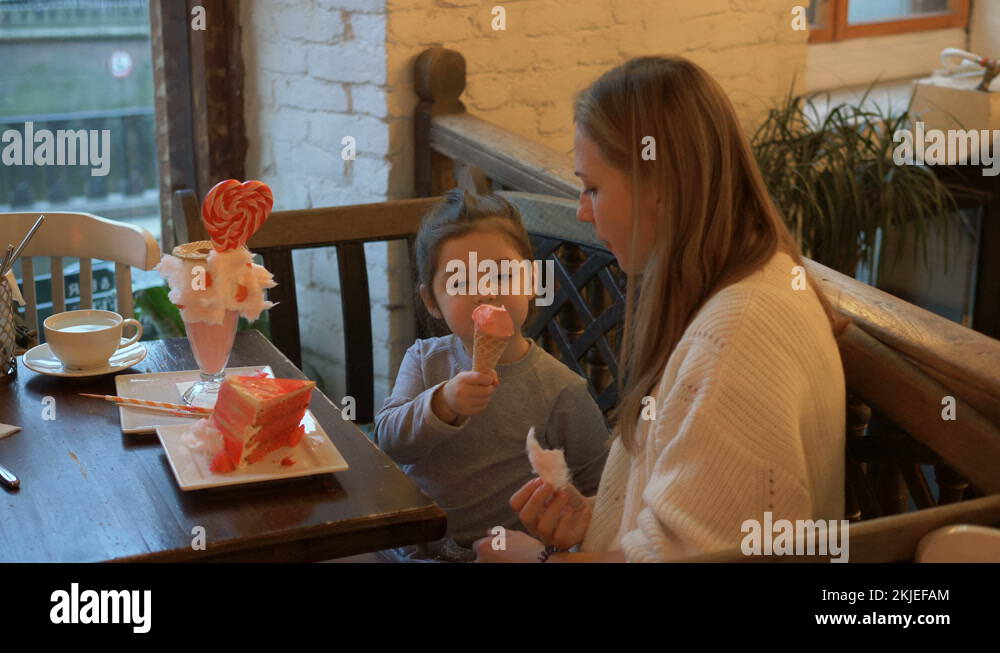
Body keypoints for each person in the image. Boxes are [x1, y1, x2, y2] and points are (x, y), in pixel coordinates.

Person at [474, 55, 849, 563]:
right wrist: (596, 517)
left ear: (660, 187)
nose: (584, 211)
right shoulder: (754, 277)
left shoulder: (735, 339)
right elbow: (694, 520)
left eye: (593, 187)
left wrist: (537, 561)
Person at [374, 188, 610, 562]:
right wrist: (442, 404)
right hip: (412, 547)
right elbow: (389, 442)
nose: (486, 290)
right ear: (432, 301)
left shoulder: (561, 389)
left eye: (502, 274)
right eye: (461, 282)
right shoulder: (424, 360)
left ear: (531, 282)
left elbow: (598, 485)